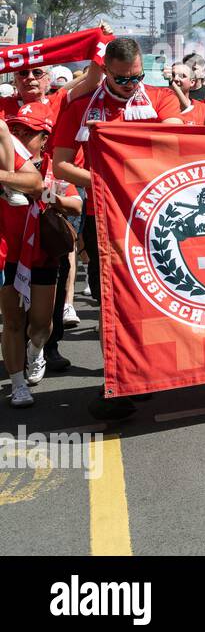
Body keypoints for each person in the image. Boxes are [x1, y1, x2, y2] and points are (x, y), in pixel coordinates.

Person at [52, 37, 185, 420]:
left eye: (138, 76)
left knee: (158, 296)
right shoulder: (80, 106)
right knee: (112, 301)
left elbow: (176, 142)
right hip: (104, 216)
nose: (132, 85)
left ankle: (152, 372)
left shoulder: (160, 98)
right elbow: (61, 165)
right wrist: (103, 179)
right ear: (105, 71)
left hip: (157, 217)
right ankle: (117, 379)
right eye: (124, 79)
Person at [2, 103, 81, 407]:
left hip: (43, 253)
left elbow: (76, 206)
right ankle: (18, 383)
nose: (20, 134)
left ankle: (36, 350)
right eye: (16, 128)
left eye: (28, 131)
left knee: (40, 325)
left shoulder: (53, 167)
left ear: (44, 137)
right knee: (12, 321)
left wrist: (45, 194)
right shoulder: (5, 157)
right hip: (7, 250)